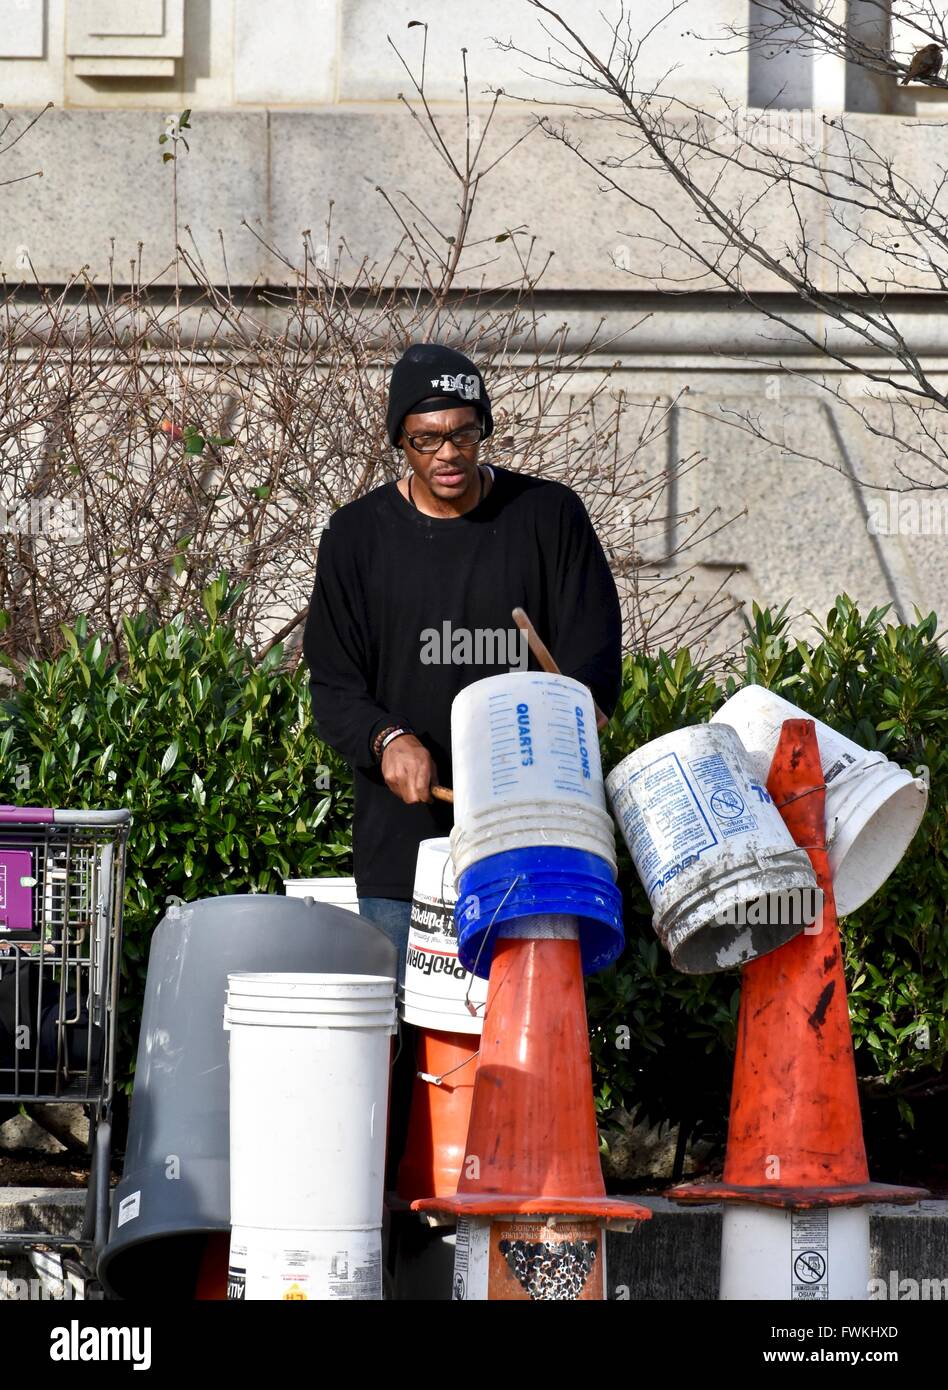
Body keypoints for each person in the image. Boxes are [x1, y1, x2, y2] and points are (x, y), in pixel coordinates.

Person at [302, 341, 623, 978]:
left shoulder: (549, 517)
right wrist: (387, 739)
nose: (447, 454)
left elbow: (593, 659)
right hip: (404, 849)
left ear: (483, 430)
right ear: (400, 439)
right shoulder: (356, 536)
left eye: (463, 434)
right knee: (405, 1049)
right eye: (426, 439)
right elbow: (334, 685)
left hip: (534, 838)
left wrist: (578, 718)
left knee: (526, 1035)